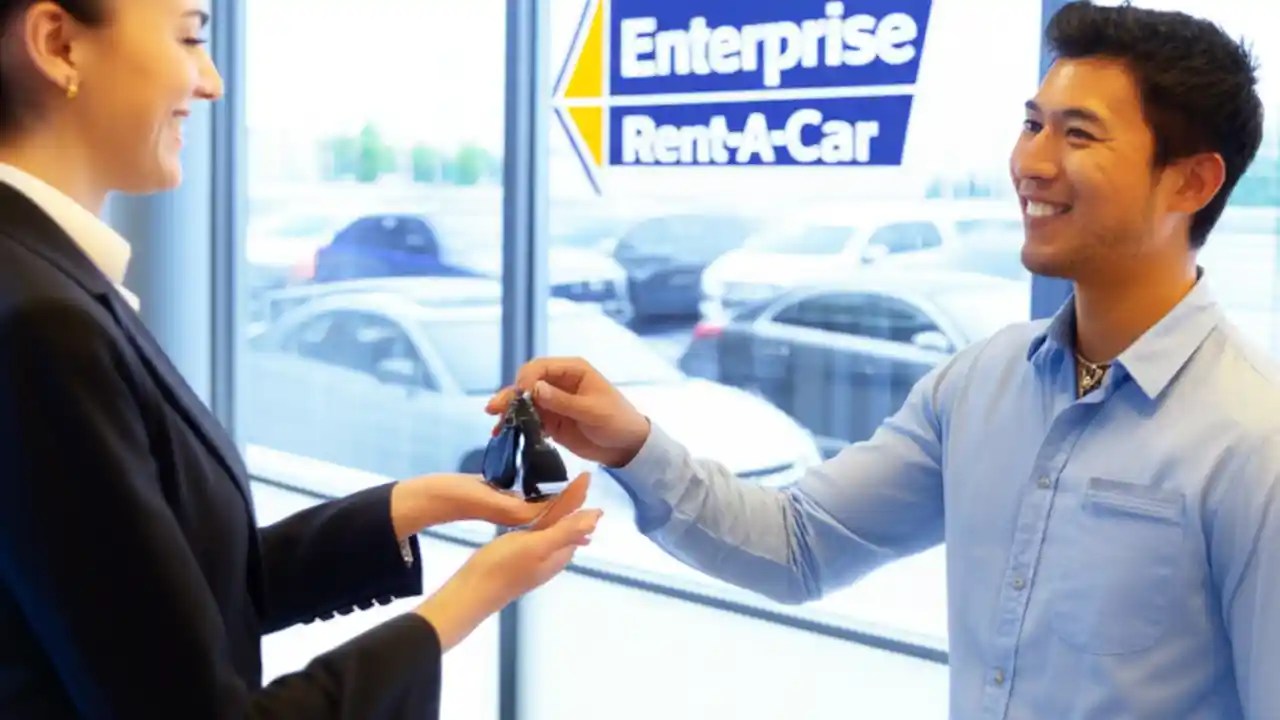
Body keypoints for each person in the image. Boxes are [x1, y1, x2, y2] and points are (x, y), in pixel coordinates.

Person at [491, 2, 1280, 718]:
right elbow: (799, 547)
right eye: (1032, 124)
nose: (1031, 163)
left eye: (1077, 134)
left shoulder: (1253, 437)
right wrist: (631, 442)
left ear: (1192, 181)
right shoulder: (980, 385)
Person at [0, 1, 602, 718]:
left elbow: (155, 607)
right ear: (59, 43)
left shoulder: (44, 282)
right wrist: (469, 600)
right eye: (189, 37)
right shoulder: (40, 322)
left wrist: (422, 504)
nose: (212, 81)